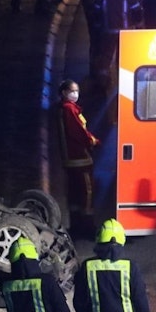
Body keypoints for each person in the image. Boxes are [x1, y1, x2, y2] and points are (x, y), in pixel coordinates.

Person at [54, 79, 100, 238]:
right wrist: (93, 141)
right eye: (72, 91)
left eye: (77, 91)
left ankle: (76, 225)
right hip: (79, 159)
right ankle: (87, 227)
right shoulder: (69, 109)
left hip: (71, 159)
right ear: (64, 93)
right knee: (87, 192)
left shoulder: (63, 109)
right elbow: (79, 132)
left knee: (74, 193)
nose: (75, 94)